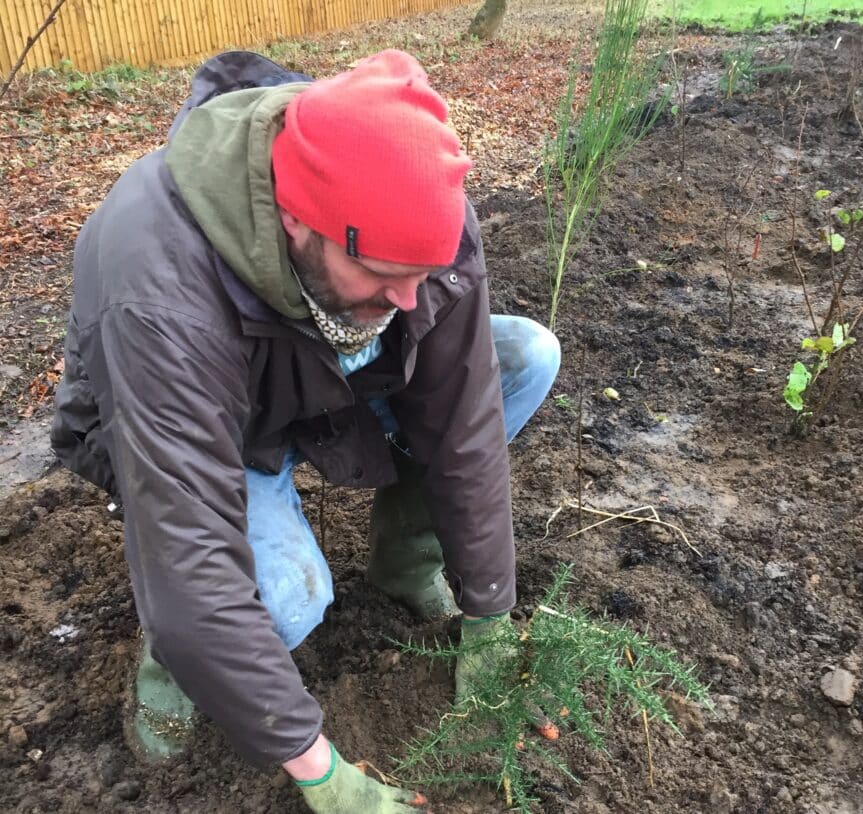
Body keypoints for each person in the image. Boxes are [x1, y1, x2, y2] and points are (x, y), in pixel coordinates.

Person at [50, 48, 560, 812]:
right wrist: (323, 774)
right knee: (287, 604)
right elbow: (191, 544)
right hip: (199, 426)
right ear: (296, 218)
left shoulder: (418, 219)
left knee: (524, 355)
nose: (411, 300)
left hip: (318, 374)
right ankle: (173, 660)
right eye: (384, 274)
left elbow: (465, 419)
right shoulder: (157, 282)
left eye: (423, 272)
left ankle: (406, 561)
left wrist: (490, 609)